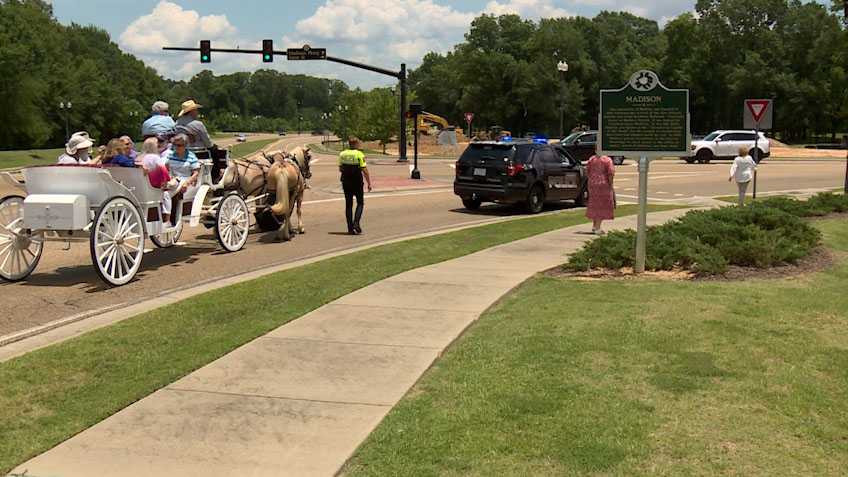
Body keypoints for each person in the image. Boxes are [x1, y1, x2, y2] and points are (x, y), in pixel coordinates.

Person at [338, 137, 372, 235]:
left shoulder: (342, 154)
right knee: (360, 203)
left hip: (346, 181)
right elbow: (364, 169)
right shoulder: (359, 154)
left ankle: (350, 228)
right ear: (356, 144)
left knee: (348, 205)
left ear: (349, 144)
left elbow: (340, 168)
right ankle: (356, 222)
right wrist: (369, 183)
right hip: (357, 181)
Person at [166, 133, 201, 221]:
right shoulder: (171, 155)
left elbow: (196, 173)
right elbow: (166, 169)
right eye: (175, 145)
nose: (176, 147)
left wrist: (187, 182)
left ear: (185, 145)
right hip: (173, 179)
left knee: (168, 193)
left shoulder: (191, 157)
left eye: (179, 145)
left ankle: (170, 218)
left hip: (185, 179)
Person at [139, 138, 173, 223]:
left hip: (139, 188)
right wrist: (167, 181)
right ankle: (167, 219)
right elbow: (164, 171)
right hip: (152, 187)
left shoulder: (139, 157)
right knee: (166, 194)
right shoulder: (155, 158)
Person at [585, 151, 616, 235]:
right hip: (604, 184)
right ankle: (598, 228)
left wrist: (591, 179)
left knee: (594, 204)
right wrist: (610, 184)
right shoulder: (607, 160)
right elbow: (611, 173)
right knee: (601, 205)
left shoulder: (592, 159)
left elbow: (587, 171)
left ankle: (595, 226)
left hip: (592, 183)